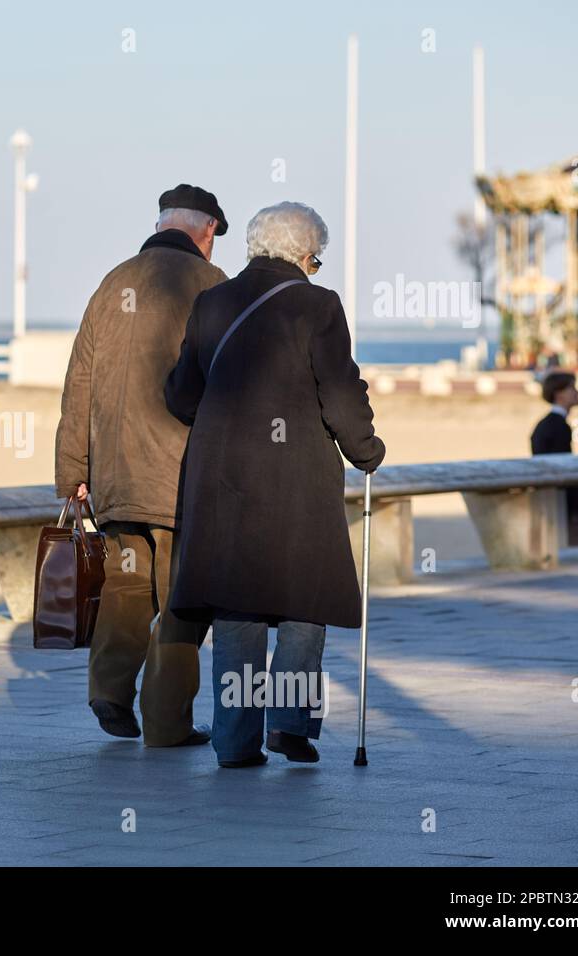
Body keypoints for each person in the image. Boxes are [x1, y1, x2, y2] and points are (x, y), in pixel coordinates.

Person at [164, 201, 385, 768]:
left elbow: (181, 394)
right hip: (297, 481)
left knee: (236, 605)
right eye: (319, 255)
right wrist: (366, 450)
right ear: (306, 252)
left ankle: (234, 741)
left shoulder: (213, 302)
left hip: (224, 478)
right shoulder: (318, 306)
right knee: (301, 599)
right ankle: (289, 724)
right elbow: (340, 389)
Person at [55, 184, 229, 746]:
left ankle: (108, 691)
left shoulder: (112, 283)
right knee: (183, 600)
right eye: (213, 238)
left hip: (114, 480)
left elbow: (78, 380)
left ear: (160, 226)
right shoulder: (211, 286)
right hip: (181, 482)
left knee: (126, 588)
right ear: (205, 232)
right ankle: (166, 722)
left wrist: (72, 471)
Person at [529, 371, 578, 546]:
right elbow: (560, 469)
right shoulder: (557, 426)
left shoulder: (549, 424)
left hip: (553, 506)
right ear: (559, 394)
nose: (577, 393)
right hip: (562, 509)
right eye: (572, 388)